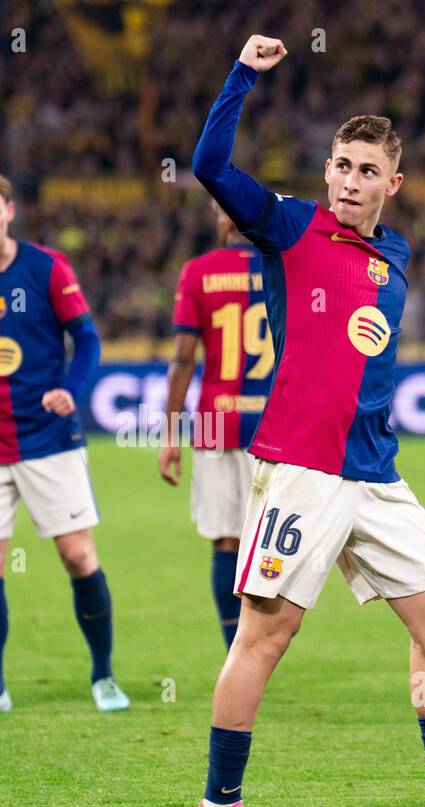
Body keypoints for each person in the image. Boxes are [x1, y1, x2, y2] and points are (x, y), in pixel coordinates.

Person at [188, 37, 425, 807]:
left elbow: (364, 360)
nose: (350, 181)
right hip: (302, 472)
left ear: (393, 182)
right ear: (326, 172)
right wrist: (243, 74)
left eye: (365, 170)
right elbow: (211, 164)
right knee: (266, 634)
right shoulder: (288, 227)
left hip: (376, 474)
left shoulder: (395, 253)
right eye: (340, 165)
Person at [0, 168, 128, 715]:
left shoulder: (47, 268)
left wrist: (70, 390)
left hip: (50, 439)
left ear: (10, 212)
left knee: (77, 554)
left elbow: (86, 338)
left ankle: (104, 676)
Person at [158, 204, 272, 649]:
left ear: (220, 218)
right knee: (268, 544)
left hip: (213, 423)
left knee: (226, 538)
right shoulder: (284, 268)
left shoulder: (197, 273)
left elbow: (183, 359)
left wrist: (170, 434)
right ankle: (263, 644)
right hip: (273, 426)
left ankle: (235, 651)